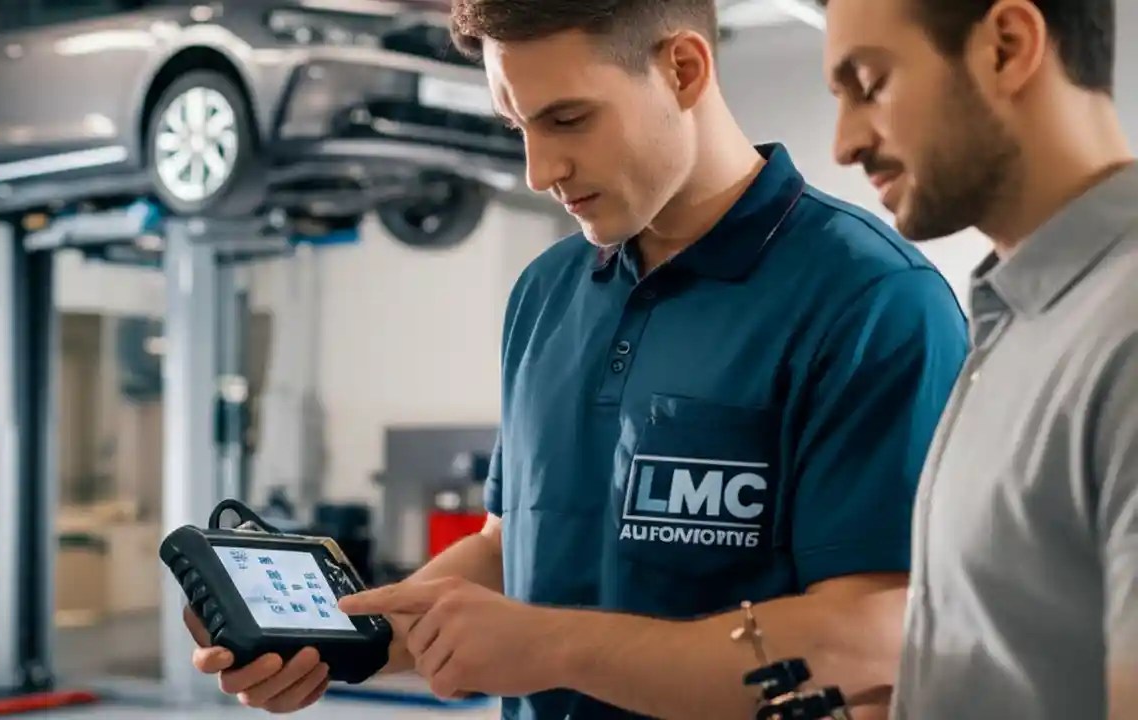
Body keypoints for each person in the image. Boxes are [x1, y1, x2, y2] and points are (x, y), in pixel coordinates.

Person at [188, 1, 971, 717]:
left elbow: (873, 633)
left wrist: (553, 646)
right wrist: (351, 638)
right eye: (517, 124)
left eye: (567, 119)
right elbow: (509, 547)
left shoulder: (872, 301)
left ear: (684, 69)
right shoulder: (546, 292)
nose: (539, 170)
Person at [820, 0, 1138, 718]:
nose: (843, 144)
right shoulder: (1017, 321)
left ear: (1006, 46)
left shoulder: (1124, 334)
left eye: (870, 84)